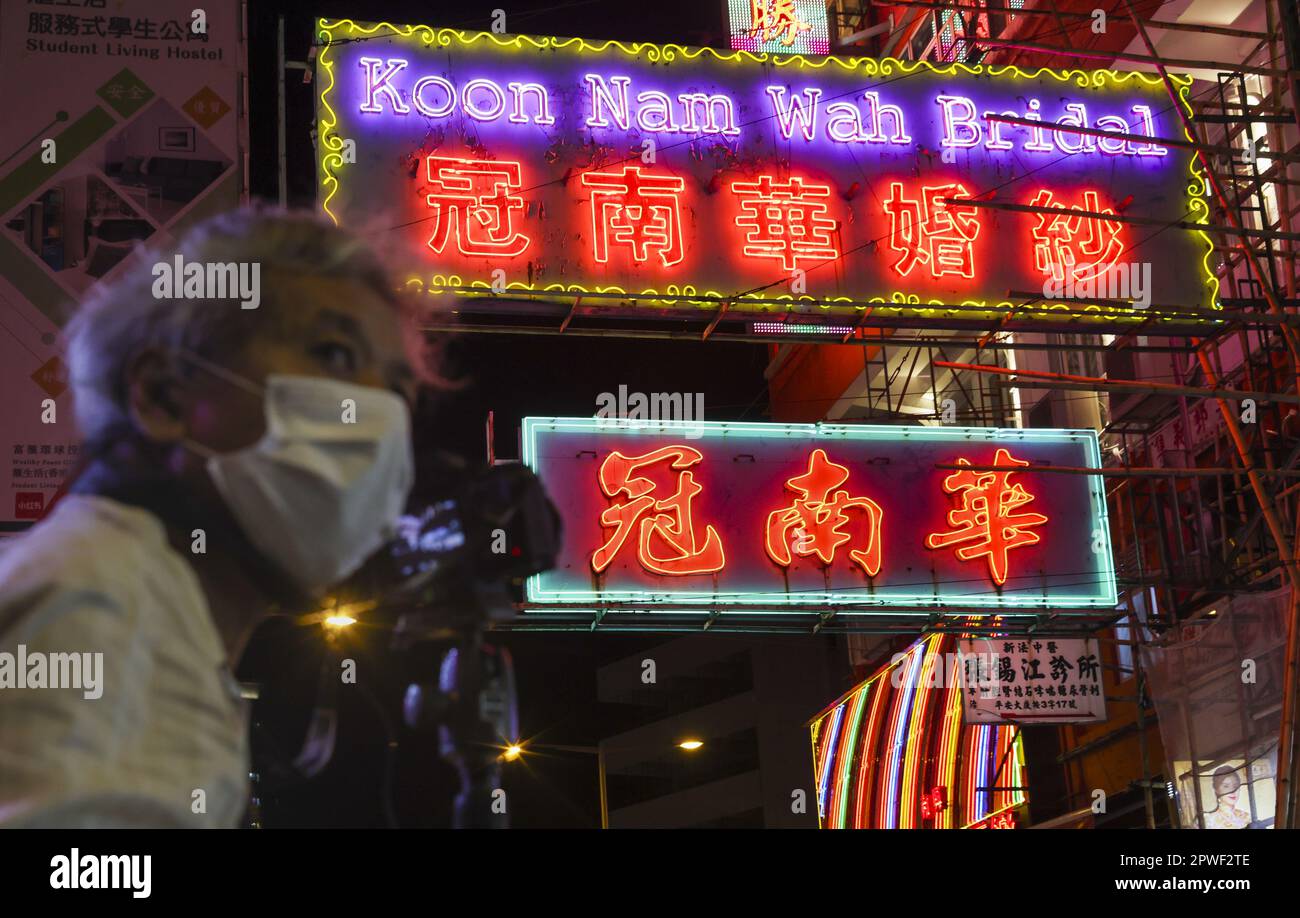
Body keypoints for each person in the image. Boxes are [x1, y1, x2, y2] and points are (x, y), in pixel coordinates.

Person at [0, 209, 426, 827]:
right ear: (163, 396)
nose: (378, 415)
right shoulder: (107, 605)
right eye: (334, 353)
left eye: (399, 390)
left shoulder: (153, 608)